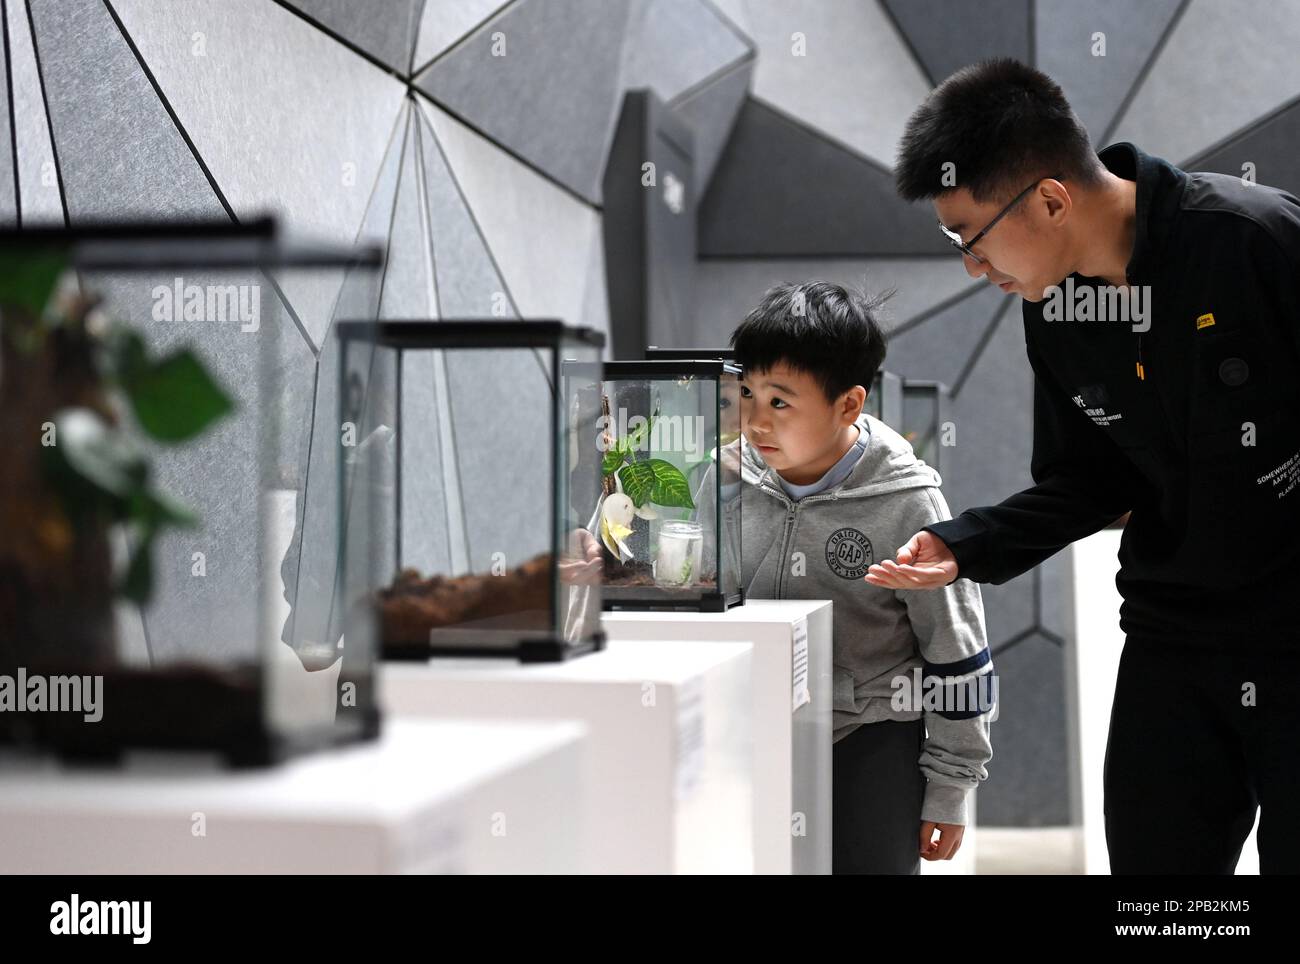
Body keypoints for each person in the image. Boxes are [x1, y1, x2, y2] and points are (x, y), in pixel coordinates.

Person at [871, 58, 1300, 873]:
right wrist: (967, 543)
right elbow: (1089, 479)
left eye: (971, 237)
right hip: (1173, 641)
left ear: (1051, 199)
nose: (971, 266)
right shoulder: (1056, 310)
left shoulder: (1256, 240)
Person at [731, 280, 996, 874]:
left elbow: (957, 652)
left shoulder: (910, 501)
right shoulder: (719, 476)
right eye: (745, 393)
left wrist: (951, 789)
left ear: (848, 404)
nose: (753, 421)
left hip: (869, 740)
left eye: (779, 402)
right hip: (743, 739)